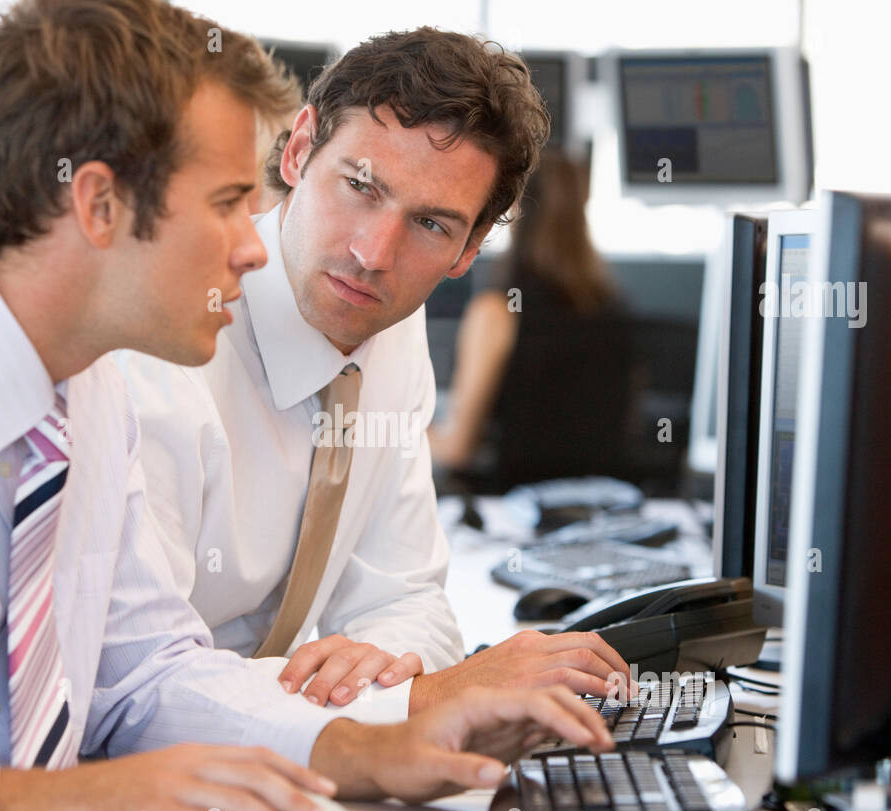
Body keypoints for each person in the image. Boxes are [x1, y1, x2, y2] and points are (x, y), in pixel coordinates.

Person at [0, 0, 614, 811]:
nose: (254, 243)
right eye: (229, 200)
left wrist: (369, 747)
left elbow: (145, 678)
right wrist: (49, 805)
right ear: (100, 204)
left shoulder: (81, 393)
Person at [120, 30, 636, 718]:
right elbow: (136, 685)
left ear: (468, 249)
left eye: (429, 224)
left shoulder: (388, 320)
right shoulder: (166, 337)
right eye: (360, 186)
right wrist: (418, 703)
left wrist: (383, 660)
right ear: (300, 149)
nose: (372, 253)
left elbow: (410, 599)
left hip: (285, 745)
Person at [429, 149, 638, 492]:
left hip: (511, 510)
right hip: (594, 506)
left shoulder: (497, 310)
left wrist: (393, 427)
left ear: (513, 210)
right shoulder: (614, 308)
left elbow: (457, 450)